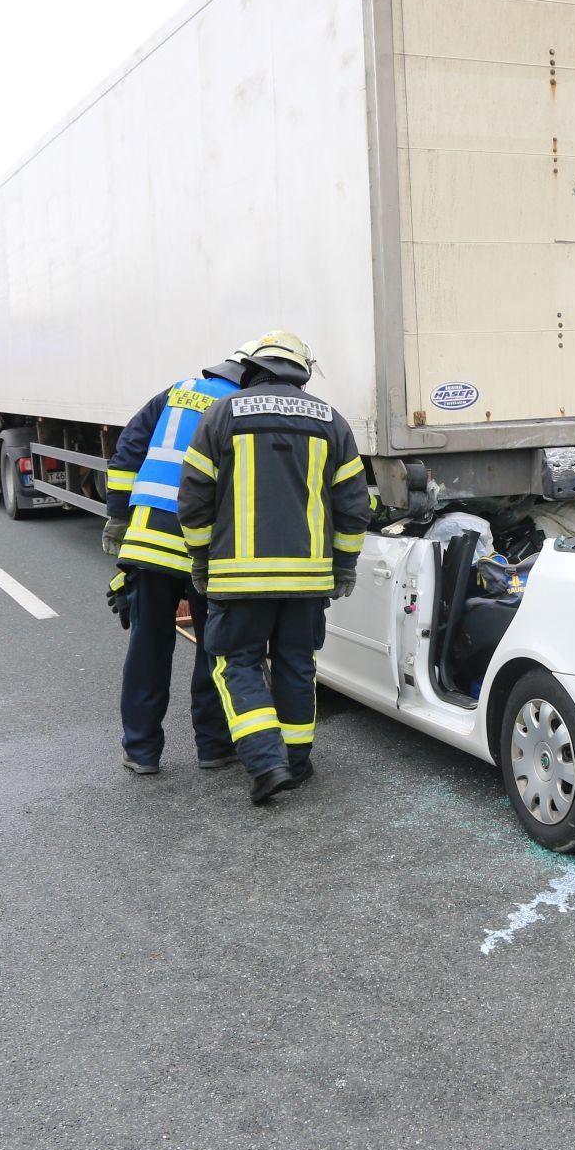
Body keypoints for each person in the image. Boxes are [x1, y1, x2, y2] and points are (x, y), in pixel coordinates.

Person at [178, 330, 371, 804]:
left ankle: (267, 763)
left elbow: (194, 498)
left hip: (238, 577)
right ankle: (296, 763)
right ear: (302, 373)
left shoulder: (222, 414)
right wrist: (344, 566)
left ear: (252, 368)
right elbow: (354, 506)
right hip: (308, 579)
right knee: (296, 665)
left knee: (236, 662)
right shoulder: (331, 420)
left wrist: (200, 561)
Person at [102, 350, 249, 775]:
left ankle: (141, 752)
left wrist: (119, 515)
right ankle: (213, 747)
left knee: (148, 647)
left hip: (150, 540)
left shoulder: (179, 391)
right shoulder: (242, 407)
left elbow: (127, 452)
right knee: (213, 647)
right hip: (207, 545)